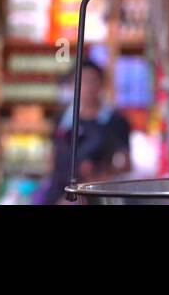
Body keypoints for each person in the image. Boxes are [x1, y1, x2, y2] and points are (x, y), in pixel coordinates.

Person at [40, 59, 131, 204]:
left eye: (92, 81)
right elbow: (53, 157)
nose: (87, 87)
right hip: (60, 193)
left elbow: (126, 164)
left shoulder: (115, 121)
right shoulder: (63, 119)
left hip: (97, 195)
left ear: (101, 84)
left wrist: (102, 175)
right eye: (81, 82)